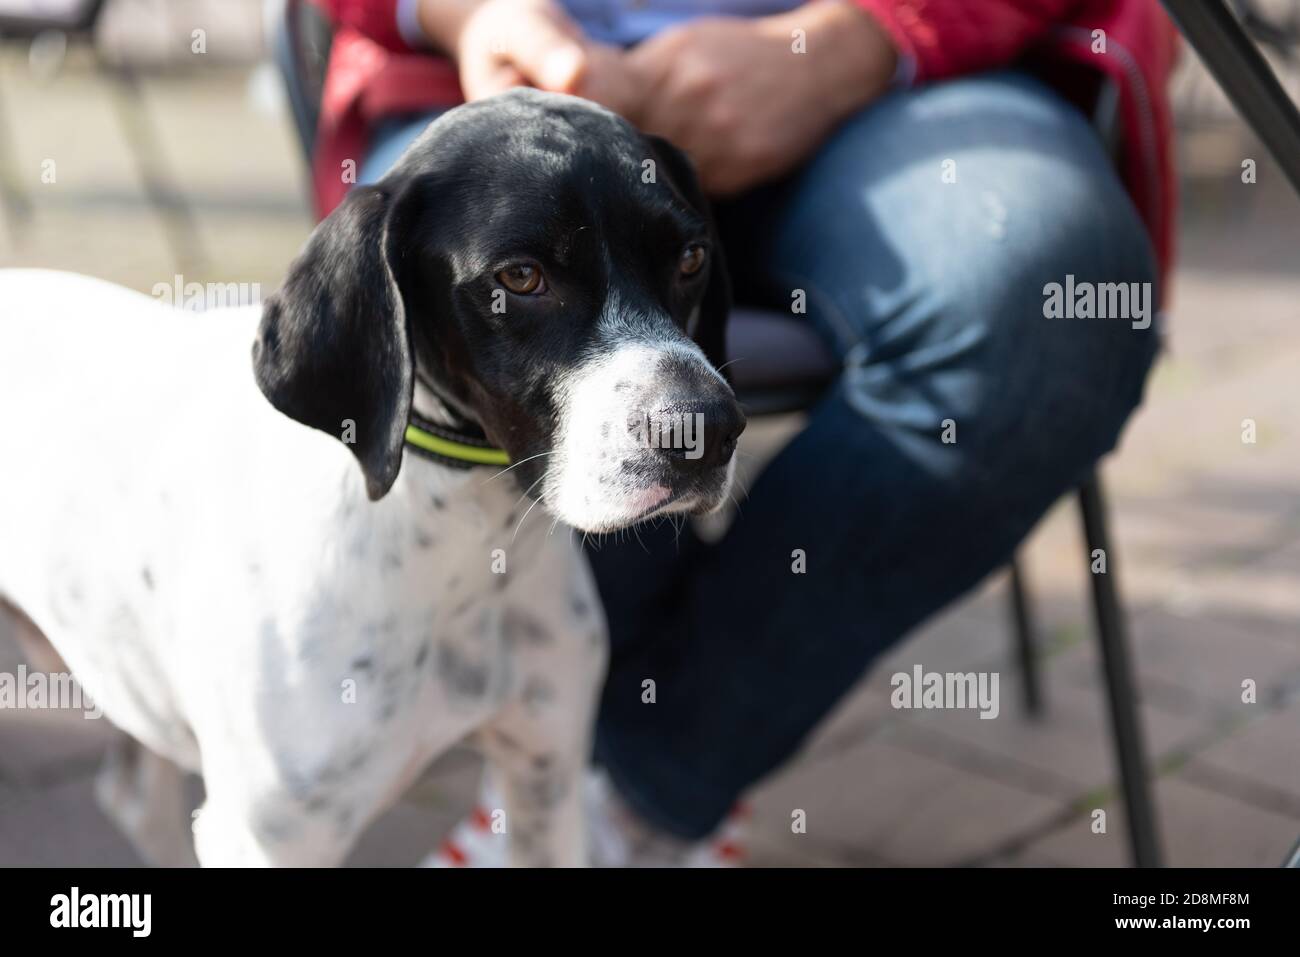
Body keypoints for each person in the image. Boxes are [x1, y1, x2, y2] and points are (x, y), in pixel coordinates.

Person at [311, 0, 1177, 865]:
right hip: (484, 85)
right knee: (454, 349)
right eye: (526, 277)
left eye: (689, 268)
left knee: (1055, 289)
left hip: (905, 92)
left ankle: (630, 789)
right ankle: (575, 759)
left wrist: (851, 46)